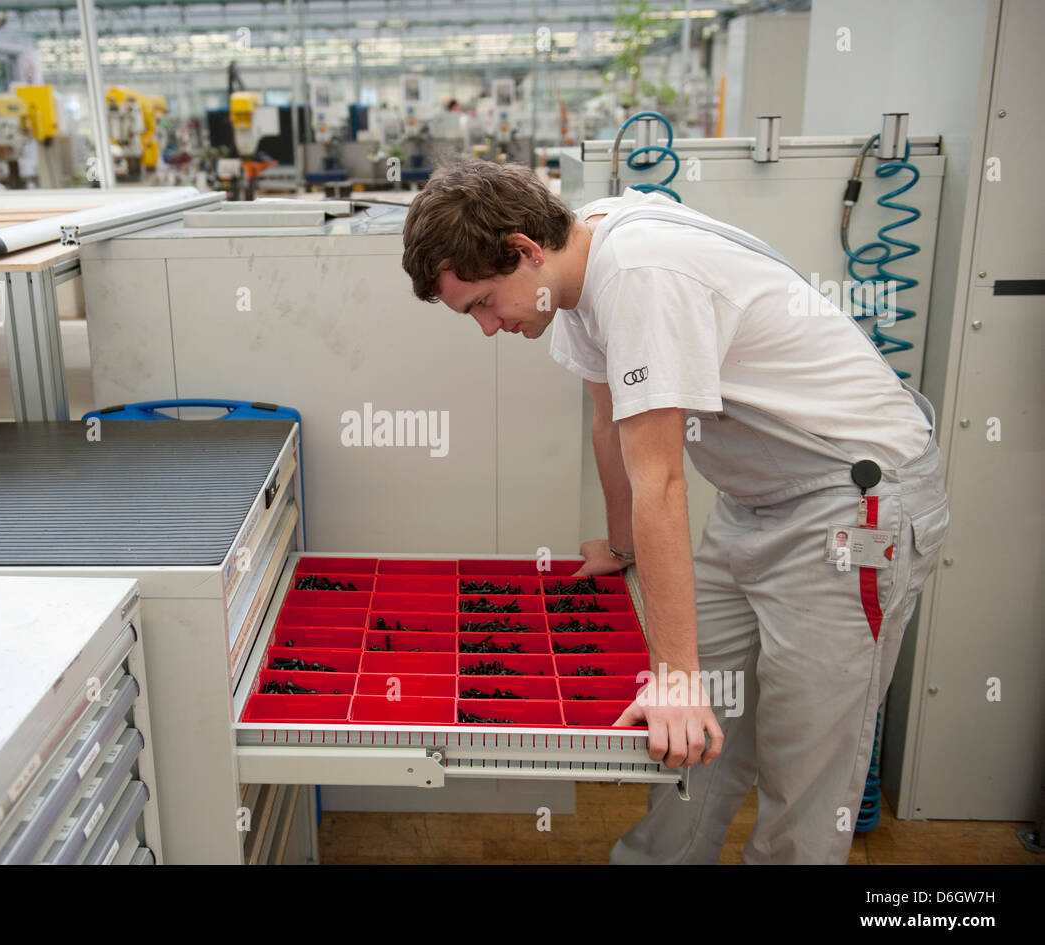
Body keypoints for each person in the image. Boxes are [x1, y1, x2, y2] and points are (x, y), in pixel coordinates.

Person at [400, 160, 950, 864]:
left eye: (482, 302)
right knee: (688, 731)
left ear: (525, 250)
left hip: (852, 504)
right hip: (755, 501)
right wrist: (624, 547)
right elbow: (611, 423)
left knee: (805, 760)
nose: (485, 326)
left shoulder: (637, 275)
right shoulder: (575, 271)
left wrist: (676, 675)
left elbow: (660, 480)